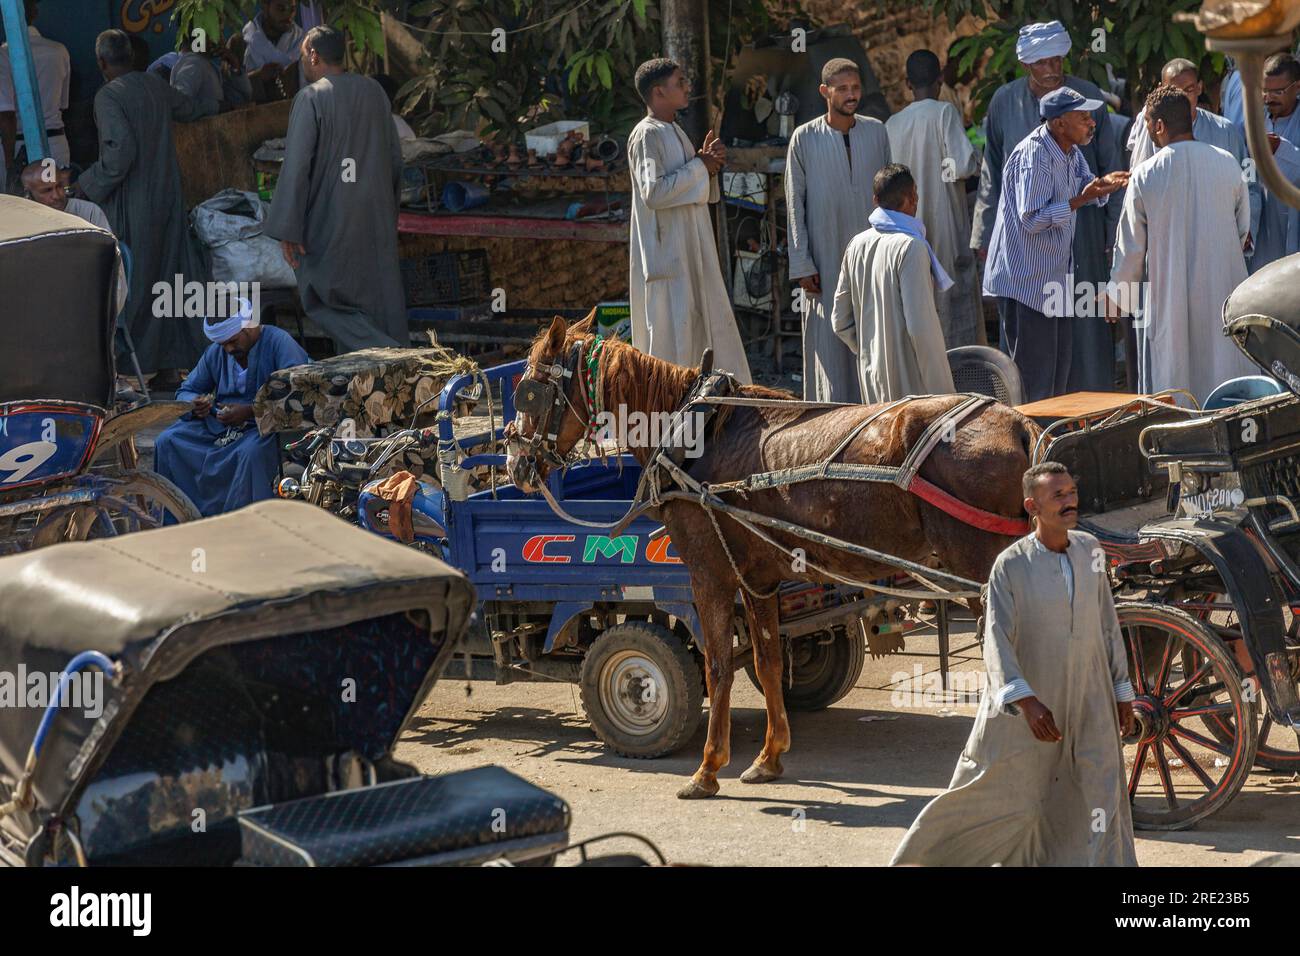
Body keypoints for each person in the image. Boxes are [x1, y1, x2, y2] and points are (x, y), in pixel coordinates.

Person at [891, 461, 1137, 867]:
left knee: (1099, 790)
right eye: (1057, 495)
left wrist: (1121, 690)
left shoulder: (1091, 550)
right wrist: (1026, 701)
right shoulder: (1011, 565)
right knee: (1005, 793)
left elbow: (1108, 625)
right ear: (1032, 506)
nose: (1069, 500)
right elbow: (996, 640)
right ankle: (924, 859)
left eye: (1071, 492)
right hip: (1032, 706)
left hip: (1090, 699)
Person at [972, 20, 1123, 392]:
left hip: (1082, 236)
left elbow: (1106, 166)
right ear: (1026, 64)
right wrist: (984, 233)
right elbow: (991, 171)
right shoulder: (1005, 101)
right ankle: (1032, 426)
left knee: (1084, 329)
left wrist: (1113, 234)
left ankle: (1089, 414)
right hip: (1025, 244)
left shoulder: (1088, 98)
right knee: (1032, 345)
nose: (1052, 69)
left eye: (1057, 60)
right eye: (1042, 63)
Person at [73, 29, 207, 389]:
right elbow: (190, 108)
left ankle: (135, 367)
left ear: (101, 62)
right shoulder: (155, 86)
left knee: (138, 284)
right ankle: (169, 365)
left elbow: (119, 157)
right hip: (169, 198)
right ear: (131, 56)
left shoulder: (108, 96)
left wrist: (84, 185)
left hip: (135, 203)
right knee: (170, 278)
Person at [1106, 87, 1256, 402]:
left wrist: (1117, 296)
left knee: (1175, 377)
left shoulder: (1145, 174)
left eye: (1147, 123)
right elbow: (1243, 230)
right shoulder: (1227, 163)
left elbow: (1131, 248)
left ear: (1159, 126)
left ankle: (1180, 444)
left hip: (1169, 294)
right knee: (1222, 367)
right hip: (1222, 289)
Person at [265, 26, 409, 351]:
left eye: (302, 56)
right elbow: (395, 158)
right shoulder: (374, 91)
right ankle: (383, 370)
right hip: (374, 215)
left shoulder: (311, 97)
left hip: (331, 218)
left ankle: (393, 354)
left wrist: (289, 228)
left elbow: (297, 166)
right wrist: (387, 206)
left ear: (313, 55)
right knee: (376, 299)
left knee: (320, 294)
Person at [625, 58, 751, 382]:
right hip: (667, 258)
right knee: (672, 345)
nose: (687, 87)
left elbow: (689, 185)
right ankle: (671, 422)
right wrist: (700, 166)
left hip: (692, 253)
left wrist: (706, 165)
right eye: (679, 82)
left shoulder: (674, 131)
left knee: (702, 335)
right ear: (658, 91)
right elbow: (653, 192)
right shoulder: (646, 136)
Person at [785, 57, 890, 402]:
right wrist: (802, 263)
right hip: (825, 255)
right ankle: (830, 415)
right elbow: (794, 202)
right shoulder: (804, 138)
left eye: (856, 88)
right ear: (824, 91)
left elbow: (889, 195)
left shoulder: (876, 131)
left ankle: (873, 411)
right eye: (842, 89)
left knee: (874, 330)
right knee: (829, 335)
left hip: (872, 254)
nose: (851, 95)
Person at [154, 307, 309, 517]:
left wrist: (251, 411)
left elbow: (299, 395)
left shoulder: (280, 343)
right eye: (223, 344)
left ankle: (244, 523)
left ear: (249, 328)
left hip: (264, 426)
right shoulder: (216, 352)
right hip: (219, 424)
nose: (228, 349)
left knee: (250, 453)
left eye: (233, 341)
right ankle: (181, 518)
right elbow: (186, 390)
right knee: (167, 440)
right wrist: (195, 404)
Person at [831, 164, 955, 403]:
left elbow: (839, 321)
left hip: (872, 379)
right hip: (914, 388)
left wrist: (872, 350)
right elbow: (921, 330)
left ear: (875, 199)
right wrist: (944, 396)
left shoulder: (856, 244)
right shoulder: (911, 247)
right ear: (913, 199)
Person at [886, 50, 982, 347]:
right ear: (940, 80)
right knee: (953, 296)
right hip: (944, 221)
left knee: (918, 296)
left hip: (906, 225)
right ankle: (960, 371)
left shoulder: (892, 123)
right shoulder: (944, 112)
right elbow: (963, 164)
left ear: (907, 83)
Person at [1127, 59, 1259, 244]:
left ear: (1199, 88)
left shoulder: (1225, 131)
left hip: (1217, 238)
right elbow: (1139, 189)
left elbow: (1249, 182)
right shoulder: (1152, 130)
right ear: (1161, 90)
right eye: (1174, 92)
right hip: (1167, 240)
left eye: (1189, 90)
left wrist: (1246, 230)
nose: (1182, 98)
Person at [21, 161, 126, 315]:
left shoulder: (89, 213)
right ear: (28, 195)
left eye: (59, 186)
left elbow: (111, 266)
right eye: (47, 190)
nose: (56, 195)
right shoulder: (25, 221)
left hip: (88, 300)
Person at [0, 0, 71, 172]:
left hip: (19, 147)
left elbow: (6, 116)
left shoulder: (4, 54)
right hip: (57, 143)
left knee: (22, 198)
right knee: (56, 197)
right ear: (35, 14)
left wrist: (9, 165)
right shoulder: (59, 50)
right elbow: (63, 104)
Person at [1250, 53, 1300, 272]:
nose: (1269, 98)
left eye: (1277, 92)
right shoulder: (1255, 118)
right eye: (1265, 91)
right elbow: (1246, 170)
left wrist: (1282, 149)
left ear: (1297, 87)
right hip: (1262, 227)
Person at [170, 30, 252, 117]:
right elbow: (180, 107)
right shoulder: (193, 64)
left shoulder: (208, 66)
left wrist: (235, 68)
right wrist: (217, 107)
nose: (222, 40)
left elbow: (240, 100)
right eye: (218, 32)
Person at [242, 0, 305, 101]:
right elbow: (232, 92)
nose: (288, 15)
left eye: (292, 9)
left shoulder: (303, 44)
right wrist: (258, 76)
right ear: (265, 6)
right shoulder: (241, 42)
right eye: (281, 9)